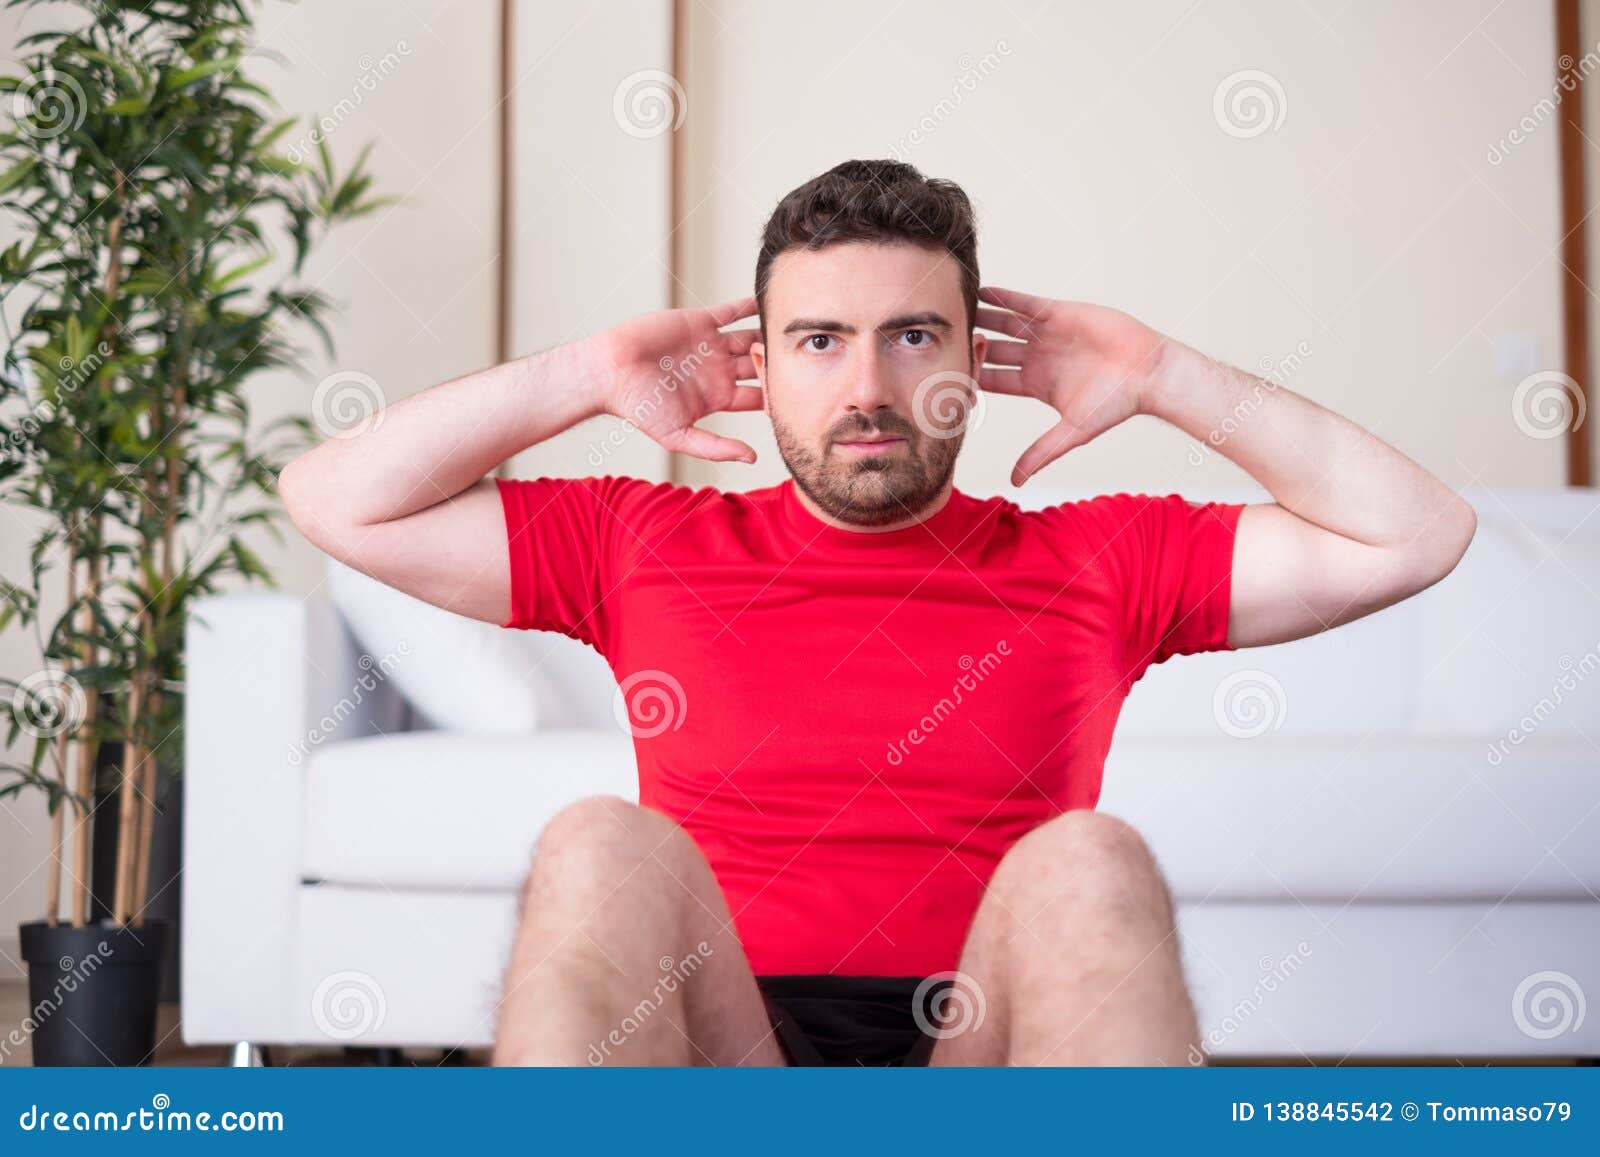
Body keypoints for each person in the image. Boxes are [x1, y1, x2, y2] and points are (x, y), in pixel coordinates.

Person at [278, 159, 1477, 1066]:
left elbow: (1416, 530)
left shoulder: (1100, 555)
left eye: (911, 337)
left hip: (986, 1048)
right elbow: (335, 497)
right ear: (761, 362)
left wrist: (1166, 376)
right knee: (597, 843)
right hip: (724, 1043)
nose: (867, 389)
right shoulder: (641, 541)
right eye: (819, 340)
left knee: (1088, 859)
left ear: (975, 358)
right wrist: (584, 376)